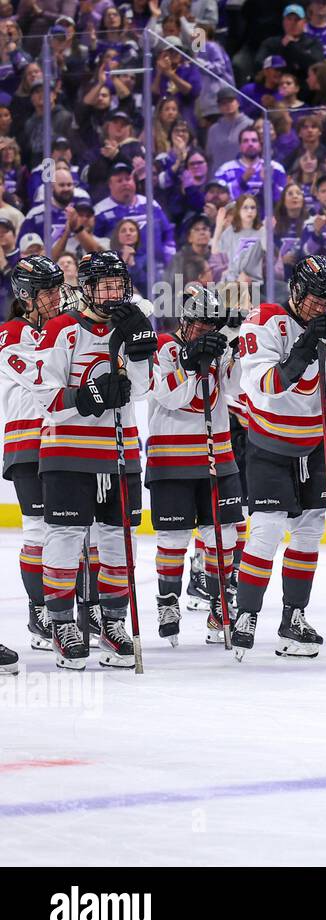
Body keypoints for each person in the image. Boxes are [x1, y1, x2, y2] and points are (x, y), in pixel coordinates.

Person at [23, 252, 156, 669]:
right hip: (67, 452)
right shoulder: (63, 328)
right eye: (105, 286)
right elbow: (45, 393)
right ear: (86, 288)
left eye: (119, 285)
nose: (114, 293)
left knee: (119, 539)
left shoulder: (131, 323)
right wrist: (89, 396)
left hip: (120, 452)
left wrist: (138, 352)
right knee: (64, 537)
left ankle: (113, 623)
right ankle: (63, 624)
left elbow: (141, 390)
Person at [232, 255, 326, 661]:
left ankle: (294, 617)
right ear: (295, 290)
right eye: (313, 299)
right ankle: (245, 614)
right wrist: (306, 345)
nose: (320, 308)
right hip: (269, 446)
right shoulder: (264, 320)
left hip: (315, 446)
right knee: (267, 530)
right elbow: (266, 385)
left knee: (309, 533)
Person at [146, 287, 241, 647]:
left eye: (212, 326)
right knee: (173, 539)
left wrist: (233, 345)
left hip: (218, 453)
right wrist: (189, 364)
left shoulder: (219, 347)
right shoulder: (165, 348)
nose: (205, 331)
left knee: (224, 536)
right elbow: (169, 396)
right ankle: (168, 601)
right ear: (185, 321)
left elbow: (234, 386)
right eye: (200, 325)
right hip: (171, 458)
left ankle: (220, 604)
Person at [0, 255, 67, 668]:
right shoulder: (11, 333)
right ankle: (39, 612)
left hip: (63, 441)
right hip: (27, 441)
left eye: (59, 289)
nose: (57, 298)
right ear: (26, 296)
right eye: (49, 291)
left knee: (69, 530)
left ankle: (62, 611)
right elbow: (44, 374)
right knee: (39, 529)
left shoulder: (58, 329)